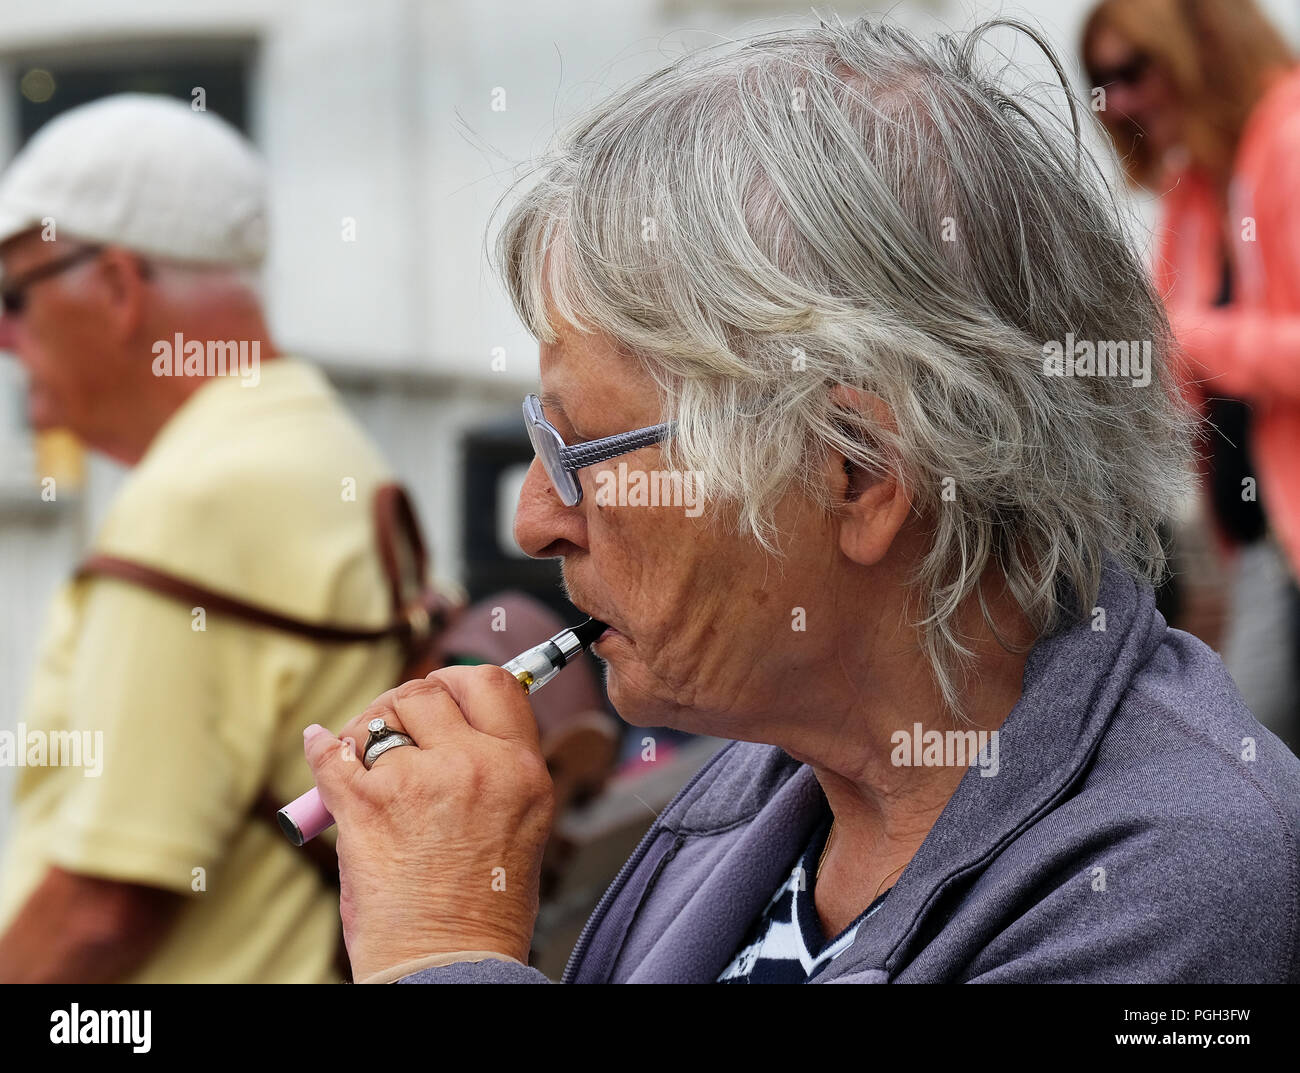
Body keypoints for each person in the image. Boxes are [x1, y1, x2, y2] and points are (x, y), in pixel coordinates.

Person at [295, 17, 1300, 984]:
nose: (534, 521)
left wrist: (443, 945)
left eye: (582, 451)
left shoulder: (1167, 886)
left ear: (855, 471)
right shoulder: (779, 775)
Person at [0, 95, 404, 982]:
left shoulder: (198, 498)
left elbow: (99, 909)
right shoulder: (319, 440)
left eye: (14, 294)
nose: (4, 337)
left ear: (114, 285)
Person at [1082, 0, 1300, 752]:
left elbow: (1182, 337)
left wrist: (1190, 335)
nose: (1119, 99)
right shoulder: (1197, 188)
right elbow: (1159, 366)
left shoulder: (1292, 139)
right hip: (1258, 540)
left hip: (1284, 533)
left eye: (1133, 70)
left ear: (1200, 47)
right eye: (1102, 81)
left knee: (1248, 752)